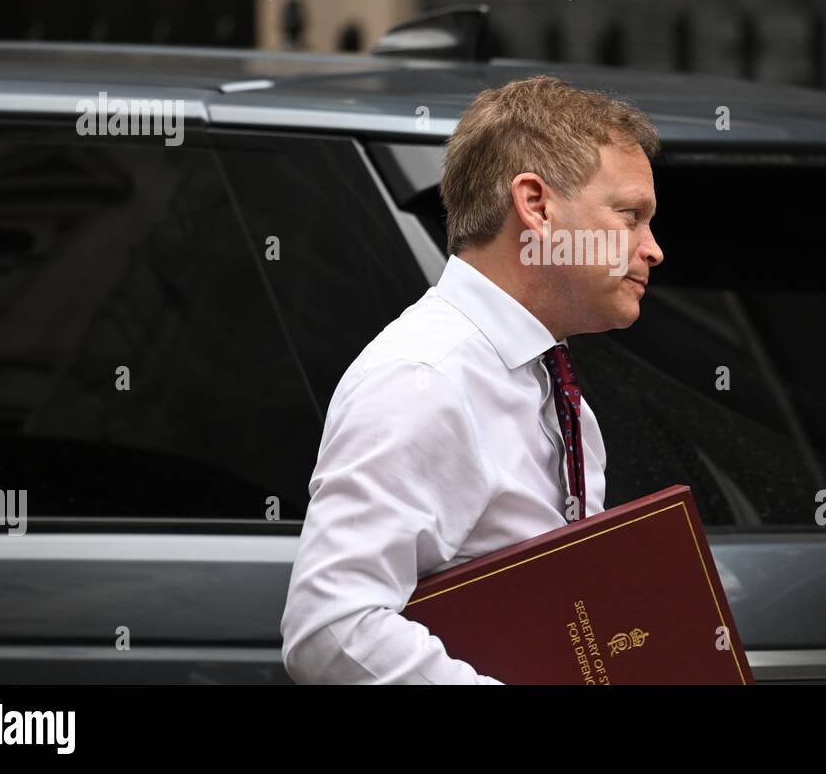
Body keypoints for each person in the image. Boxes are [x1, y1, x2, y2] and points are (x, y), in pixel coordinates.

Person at [280, 74, 664, 683]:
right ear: (536, 205)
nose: (652, 249)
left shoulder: (551, 390)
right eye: (629, 216)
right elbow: (329, 629)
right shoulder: (423, 377)